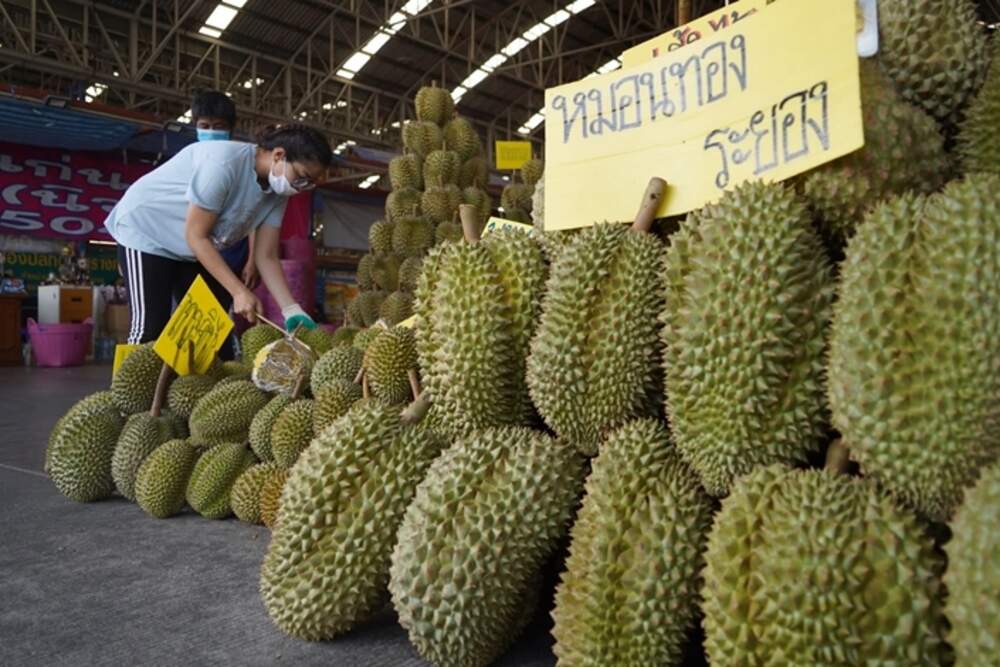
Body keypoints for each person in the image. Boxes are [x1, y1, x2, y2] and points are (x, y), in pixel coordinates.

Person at [104, 123, 328, 348]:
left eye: (310, 183)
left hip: (188, 248)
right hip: (147, 231)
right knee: (150, 330)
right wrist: (239, 291)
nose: (303, 187)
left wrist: (291, 310)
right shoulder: (224, 163)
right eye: (301, 176)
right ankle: (126, 383)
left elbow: (266, 255)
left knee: (207, 331)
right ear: (279, 155)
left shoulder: (278, 191)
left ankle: (181, 382)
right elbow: (196, 235)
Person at [191, 90, 257, 359]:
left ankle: (224, 364)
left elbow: (252, 215)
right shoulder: (191, 157)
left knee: (219, 310)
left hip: (230, 252)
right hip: (193, 249)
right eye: (204, 126)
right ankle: (201, 369)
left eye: (218, 127)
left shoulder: (240, 162)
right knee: (192, 313)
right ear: (195, 126)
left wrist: (251, 260)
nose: (211, 132)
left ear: (231, 129)